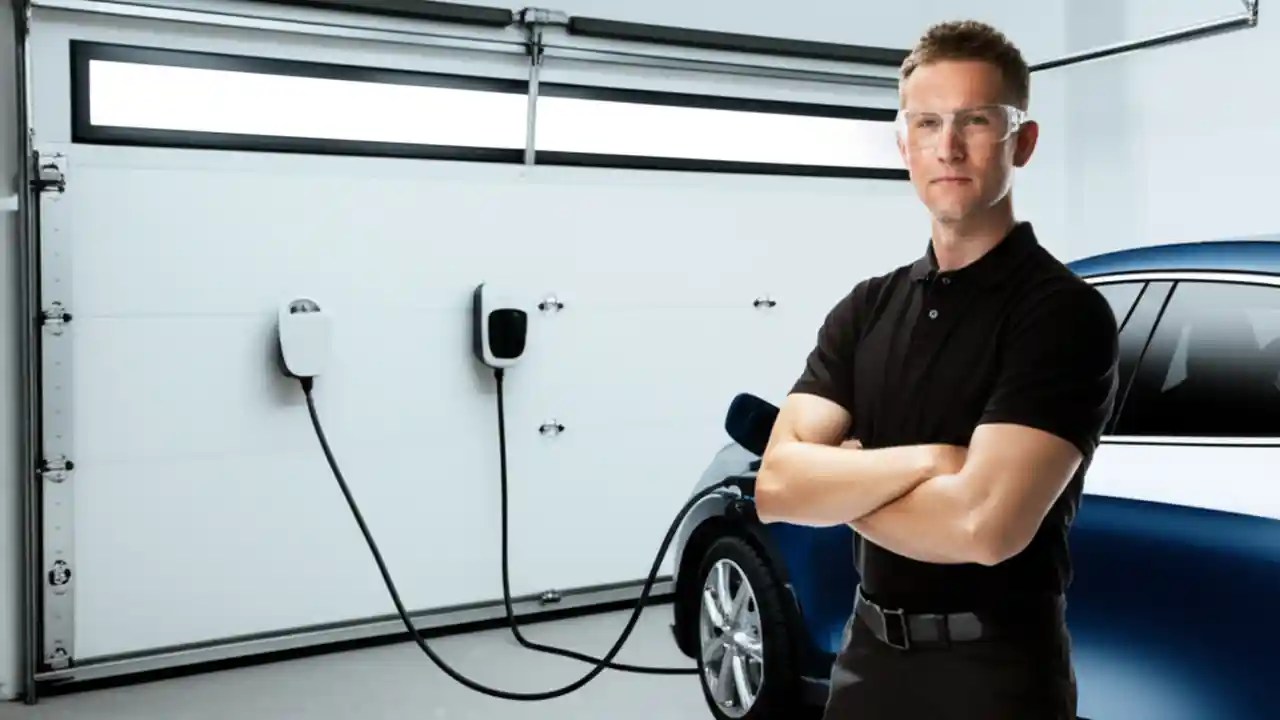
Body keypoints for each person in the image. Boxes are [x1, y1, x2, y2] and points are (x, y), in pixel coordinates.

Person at [754, 19, 1120, 720]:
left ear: (1024, 141)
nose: (947, 146)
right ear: (904, 144)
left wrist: (839, 484)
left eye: (976, 120)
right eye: (927, 123)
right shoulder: (865, 308)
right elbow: (776, 487)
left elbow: (984, 527)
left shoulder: (1061, 314)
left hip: (996, 673)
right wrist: (932, 460)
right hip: (866, 665)